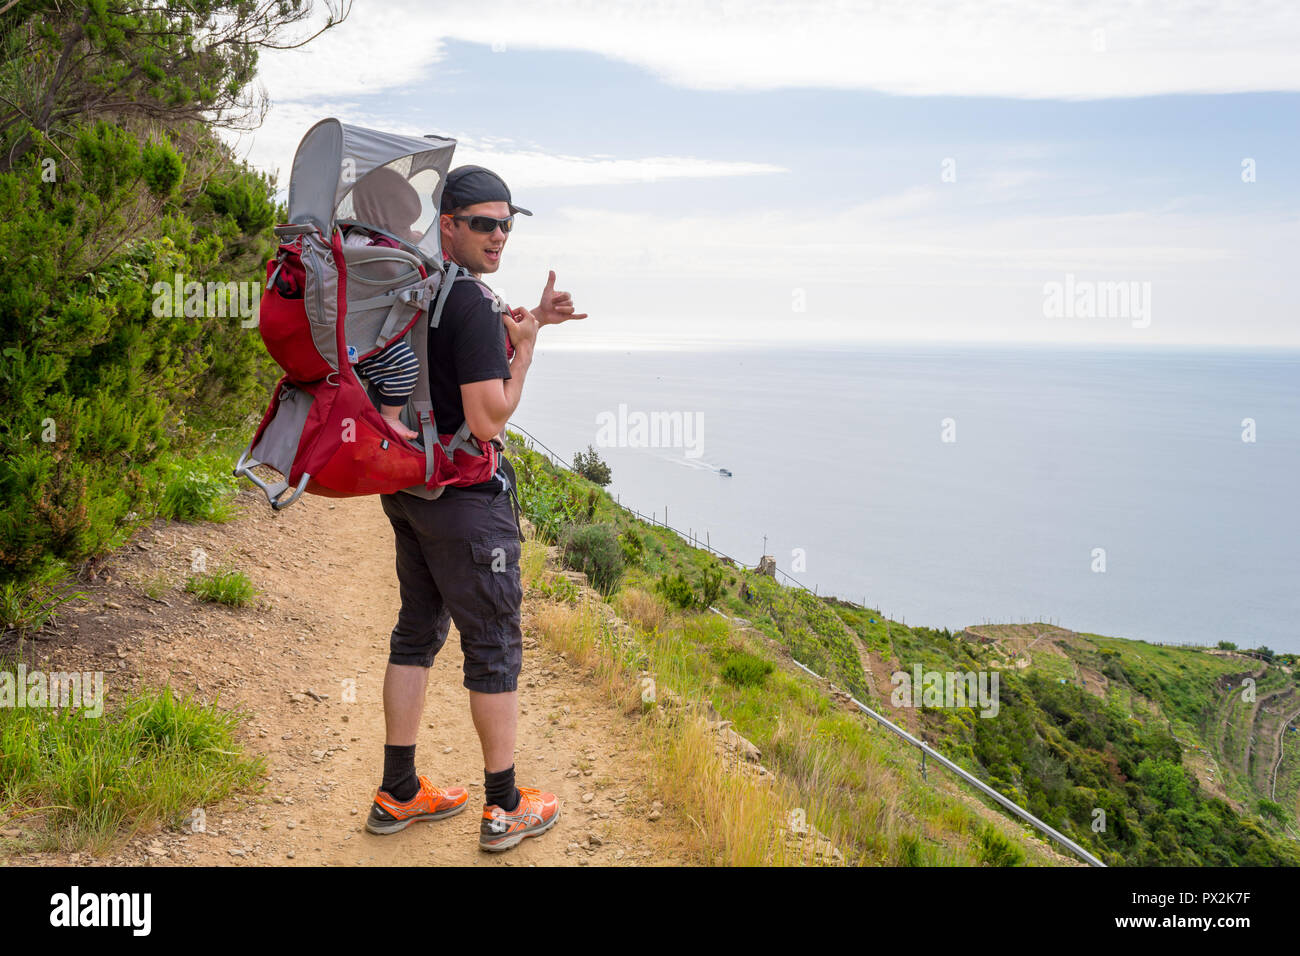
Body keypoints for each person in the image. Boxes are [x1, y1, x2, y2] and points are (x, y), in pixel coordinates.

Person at [365, 165, 586, 852]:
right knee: (492, 647)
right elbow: (489, 420)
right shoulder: (469, 303)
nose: (499, 236)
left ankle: (397, 791)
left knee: (416, 631)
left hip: (408, 487)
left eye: (508, 223)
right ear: (450, 223)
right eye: (484, 223)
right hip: (465, 501)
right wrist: (525, 349)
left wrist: (522, 327)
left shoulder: (409, 288)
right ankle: (504, 806)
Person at [344, 167, 425, 441]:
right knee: (406, 365)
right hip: (357, 334)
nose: (403, 231)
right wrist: (399, 242)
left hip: (361, 325)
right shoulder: (358, 242)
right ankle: (390, 418)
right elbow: (388, 268)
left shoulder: (366, 237)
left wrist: (403, 239)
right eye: (399, 224)